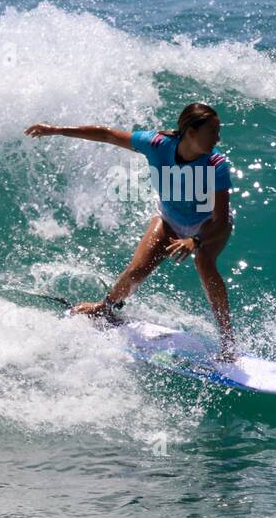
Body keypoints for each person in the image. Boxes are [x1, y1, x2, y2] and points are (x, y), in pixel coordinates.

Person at [24, 103, 236, 359]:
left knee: (205, 264)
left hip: (206, 225)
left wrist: (195, 240)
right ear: (191, 131)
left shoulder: (215, 164)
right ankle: (106, 308)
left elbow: (221, 220)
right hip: (169, 218)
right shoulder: (158, 144)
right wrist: (55, 130)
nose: (218, 137)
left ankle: (228, 343)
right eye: (213, 131)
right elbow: (106, 134)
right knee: (136, 270)